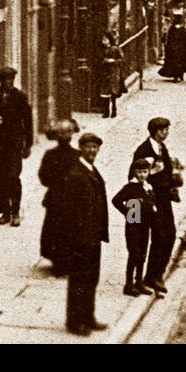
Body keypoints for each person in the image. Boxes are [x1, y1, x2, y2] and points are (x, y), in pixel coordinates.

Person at [63, 133, 109, 335]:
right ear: (81, 148)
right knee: (79, 280)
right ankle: (75, 321)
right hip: (80, 238)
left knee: (91, 278)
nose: (92, 151)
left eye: (95, 148)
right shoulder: (75, 173)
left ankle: (88, 317)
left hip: (93, 236)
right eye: (88, 147)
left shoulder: (90, 169)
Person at [0, 65, 33, 225]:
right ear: (1, 81)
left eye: (11, 80)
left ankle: (15, 211)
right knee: (0, 178)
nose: (9, 82)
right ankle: (5, 212)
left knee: (14, 177)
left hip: (14, 144)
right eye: (6, 80)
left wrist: (28, 145)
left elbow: (28, 121)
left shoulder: (20, 97)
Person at [136, 118, 181, 295]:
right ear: (155, 131)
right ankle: (148, 277)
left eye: (167, 130)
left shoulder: (162, 148)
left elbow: (168, 169)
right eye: (163, 130)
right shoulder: (144, 150)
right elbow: (134, 177)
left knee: (170, 235)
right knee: (158, 236)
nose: (166, 133)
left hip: (164, 200)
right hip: (150, 202)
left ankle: (157, 273)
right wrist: (153, 171)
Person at [38, 119, 82, 276]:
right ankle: (68, 259)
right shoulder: (77, 155)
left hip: (56, 198)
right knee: (70, 229)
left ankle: (57, 259)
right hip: (71, 199)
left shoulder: (50, 155)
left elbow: (43, 177)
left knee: (55, 229)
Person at [112, 158, 157, 297]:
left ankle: (139, 282)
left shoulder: (148, 187)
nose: (142, 175)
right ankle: (129, 284)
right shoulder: (130, 187)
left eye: (145, 172)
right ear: (134, 172)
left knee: (143, 254)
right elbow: (116, 200)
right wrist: (128, 212)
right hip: (133, 225)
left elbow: (151, 202)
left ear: (149, 172)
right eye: (139, 172)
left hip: (145, 225)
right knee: (134, 254)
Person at [159, 13, 186, 80]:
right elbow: (185, 40)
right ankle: (180, 75)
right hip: (180, 49)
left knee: (175, 62)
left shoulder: (172, 29)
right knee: (180, 62)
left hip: (174, 48)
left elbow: (169, 39)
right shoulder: (183, 29)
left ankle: (176, 76)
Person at [99, 31, 123, 118]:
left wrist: (113, 61)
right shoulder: (103, 50)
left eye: (105, 39)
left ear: (109, 40)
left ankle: (114, 110)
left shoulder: (115, 48)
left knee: (113, 91)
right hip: (105, 72)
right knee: (105, 92)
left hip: (114, 72)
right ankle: (106, 111)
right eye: (103, 40)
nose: (103, 41)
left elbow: (122, 60)